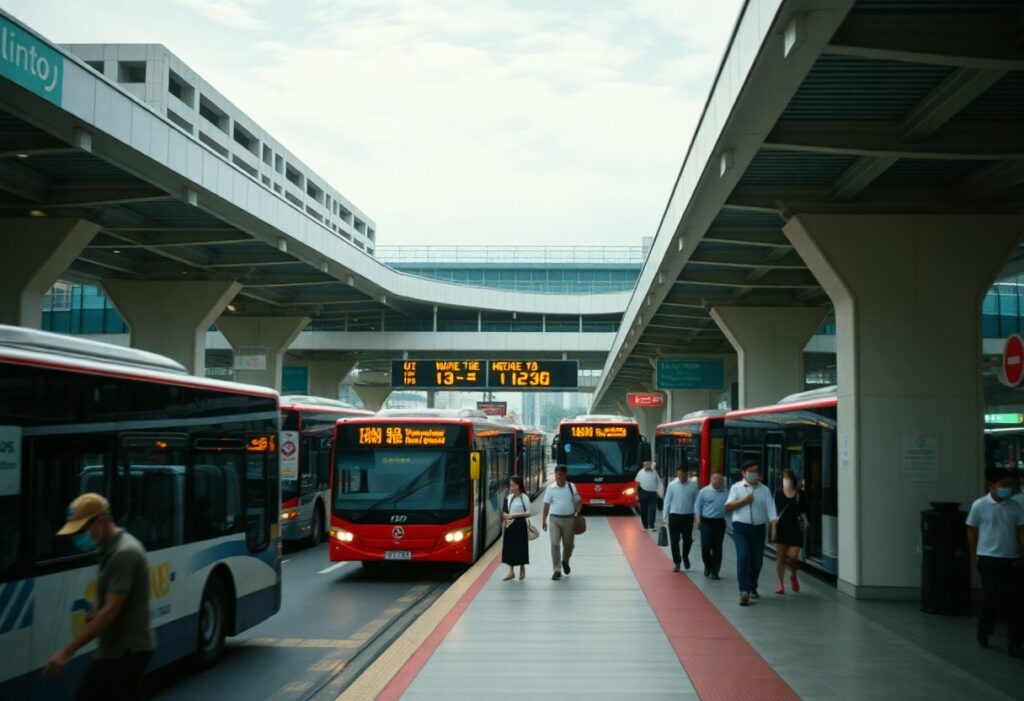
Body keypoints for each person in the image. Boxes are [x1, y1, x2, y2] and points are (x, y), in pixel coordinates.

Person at [43, 493, 156, 700]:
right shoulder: (107, 548)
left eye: (82, 529)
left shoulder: (124, 552)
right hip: (119, 649)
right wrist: (97, 607)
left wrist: (67, 652)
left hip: (125, 651)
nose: (78, 536)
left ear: (101, 521)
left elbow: (111, 611)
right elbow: (112, 594)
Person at [965, 467, 1024, 658]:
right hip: (988, 559)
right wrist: (976, 554)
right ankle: (984, 629)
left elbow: (1020, 532)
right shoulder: (979, 505)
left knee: (1016, 601)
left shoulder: (1015, 507)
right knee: (994, 597)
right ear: (991, 485)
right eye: (1004, 485)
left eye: (1009, 485)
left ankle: (1014, 642)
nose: (1007, 488)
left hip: (1011, 559)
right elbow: (971, 529)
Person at [725, 460, 778, 606]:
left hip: (758, 528)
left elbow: (771, 510)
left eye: (756, 471)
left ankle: (752, 585)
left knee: (757, 561)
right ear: (743, 473)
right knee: (743, 558)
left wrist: (773, 527)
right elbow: (728, 507)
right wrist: (744, 501)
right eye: (751, 471)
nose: (754, 474)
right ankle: (744, 591)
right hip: (740, 527)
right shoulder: (736, 488)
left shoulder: (764, 490)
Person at [542, 464, 581, 581]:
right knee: (555, 544)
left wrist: (577, 513)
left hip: (569, 519)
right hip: (554, 519)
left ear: (565, 475)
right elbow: (546, 504)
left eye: (561, 475)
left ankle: (565, 561)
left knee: (569, 545)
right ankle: (557, 570)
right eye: (557, 474)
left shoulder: (571, 487)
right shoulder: (550, 488)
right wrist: (543, 520)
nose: (559, 477)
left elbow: (578, 502)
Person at [772, 468, 805, 594]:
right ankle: (780, 584)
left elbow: (802, 511)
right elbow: (773, 513)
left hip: (794, 528)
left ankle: (793, 574)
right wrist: (773, 528)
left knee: (793, 556)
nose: (787, 481)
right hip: (780, 528)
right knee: (780, 557)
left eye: (789, 479)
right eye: (784, 479)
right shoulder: (778, 493)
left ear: (793, 480)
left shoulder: (799, 494)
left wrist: (806, 522)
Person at [663, 464, 698, 572]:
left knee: (687, 539)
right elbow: (667, 501)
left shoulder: (693, 485)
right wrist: (665, 516)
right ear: (677, 474)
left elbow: (697, 502)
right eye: (680, 474)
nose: (682, 476)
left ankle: (685, 555)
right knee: (674, 541)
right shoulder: (672, 485)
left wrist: (697, 516)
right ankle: (677, 562)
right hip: (674, 516)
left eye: (684, 474)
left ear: (687, 474)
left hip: (688, 516)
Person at [694, 472, 728, 579]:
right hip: (706, 522)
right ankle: (707, 565)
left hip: (719, 523)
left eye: (720, 479)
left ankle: (715, 571)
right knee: (706, 546)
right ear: (711, 479)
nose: (718, 480)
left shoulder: (726, 492)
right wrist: (697, 520)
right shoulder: (704, 492)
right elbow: (697, 506)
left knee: (717, 547)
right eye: (715, 478)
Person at [501, 475, 531, 581]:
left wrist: (515, 515)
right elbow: (505, 511)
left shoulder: (524, 497)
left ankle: (522, 568)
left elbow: (528, 512)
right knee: (509, 548)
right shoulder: (508, 497)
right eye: (510, 485)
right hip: (509, 525)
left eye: (513, 485)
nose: (511, 487)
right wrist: (505, 517)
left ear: (518, 485)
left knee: (521, 546)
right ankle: (511, 571)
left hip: (520, 524)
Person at [634, 458, 663, 532]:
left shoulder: (654, 472)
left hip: (653, 494)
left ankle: (651, 525)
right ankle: (645, 526)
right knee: (644, 511)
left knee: (652, 510)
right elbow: (637, 484)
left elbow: (659, 482)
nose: (645, 465)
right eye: (644, 464)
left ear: (650, 464)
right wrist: (636, 495)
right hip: (643, 493)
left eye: (647, 464)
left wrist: (660, 493)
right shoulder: (640, 473)